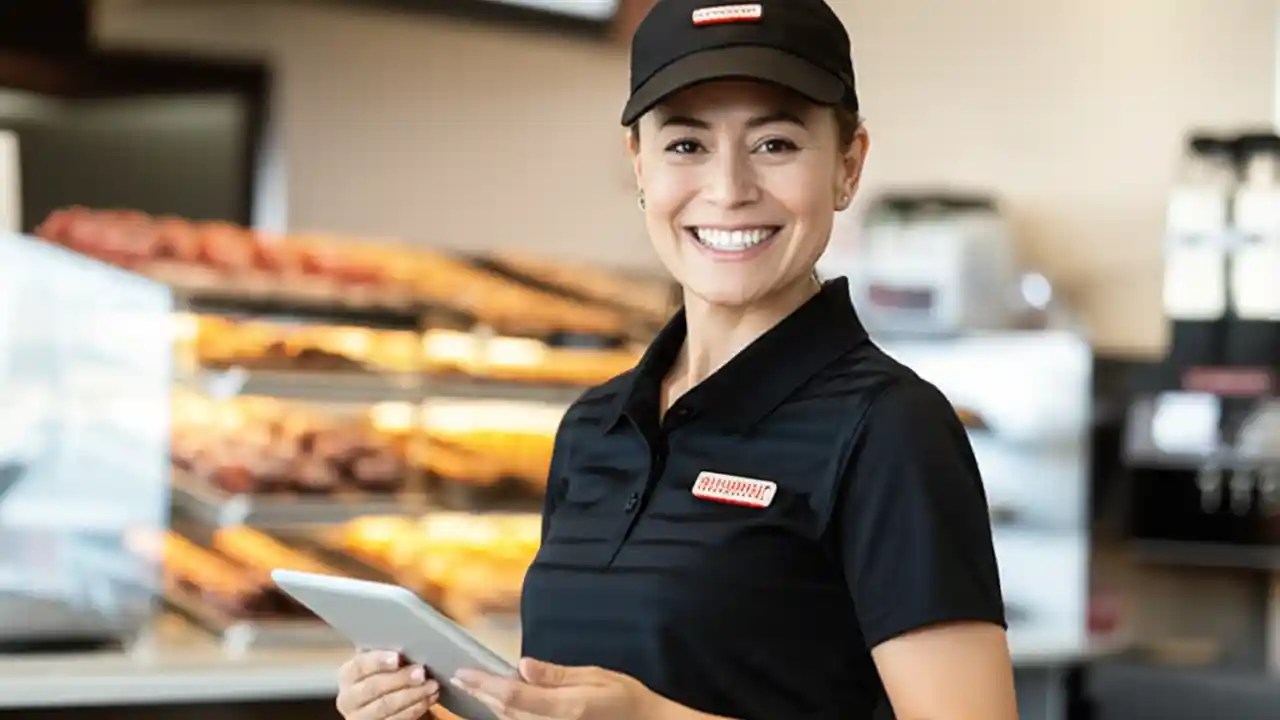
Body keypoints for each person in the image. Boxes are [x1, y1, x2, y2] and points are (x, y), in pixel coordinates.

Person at [335, 1, 1018, 718]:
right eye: (686, 146)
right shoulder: (593, 426)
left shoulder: (891, 429)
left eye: (775, 144)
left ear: (847, 167)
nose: (727, 189)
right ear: (640, 165)